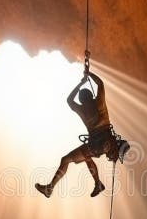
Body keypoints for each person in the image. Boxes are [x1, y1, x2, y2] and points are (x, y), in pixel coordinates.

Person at [36, 68, 130, 198]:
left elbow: (96, 86)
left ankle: (51, 188)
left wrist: (85, 78)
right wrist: (86, 78)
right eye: (82, 100)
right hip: (98, 143)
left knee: (70, 158)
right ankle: (96, 184)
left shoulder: (91, 106)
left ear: (86, 98)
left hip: (100, 143)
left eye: (83, 99)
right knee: (77, 157)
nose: (83, 102)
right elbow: (73, 99)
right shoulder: (91, 106)